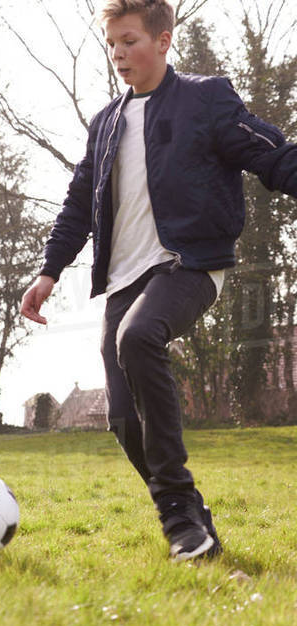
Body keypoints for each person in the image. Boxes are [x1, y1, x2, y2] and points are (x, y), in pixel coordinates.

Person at [20, 0, 297, 561]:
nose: (119, 54)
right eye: (113, 45)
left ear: (164, 40)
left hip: (190, 263)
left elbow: (273, 155)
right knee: (124, 419)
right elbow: (78, 205)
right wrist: (50, 271)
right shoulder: (106, 123)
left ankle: (176, 514)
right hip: (125, 277)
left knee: (138, 338)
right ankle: (196, 522)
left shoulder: (205, 98)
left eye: (130, 41)